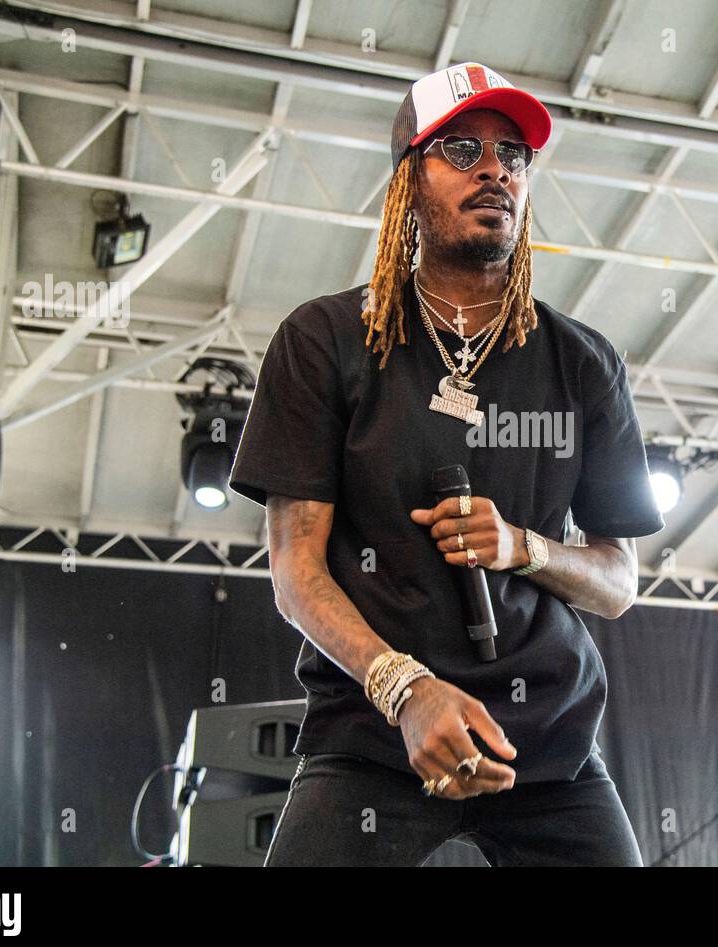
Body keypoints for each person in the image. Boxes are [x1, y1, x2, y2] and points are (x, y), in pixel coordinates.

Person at [228, 61, 664, 866]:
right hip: (375, 732)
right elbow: (296, 570)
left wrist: (522, 547)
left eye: (514, 154)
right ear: (407, 182)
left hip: (546, 742)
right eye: (461, 149)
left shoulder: (583, 362)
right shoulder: (323, 342)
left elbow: (617, 583)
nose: (495, 168)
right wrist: (408, 690)